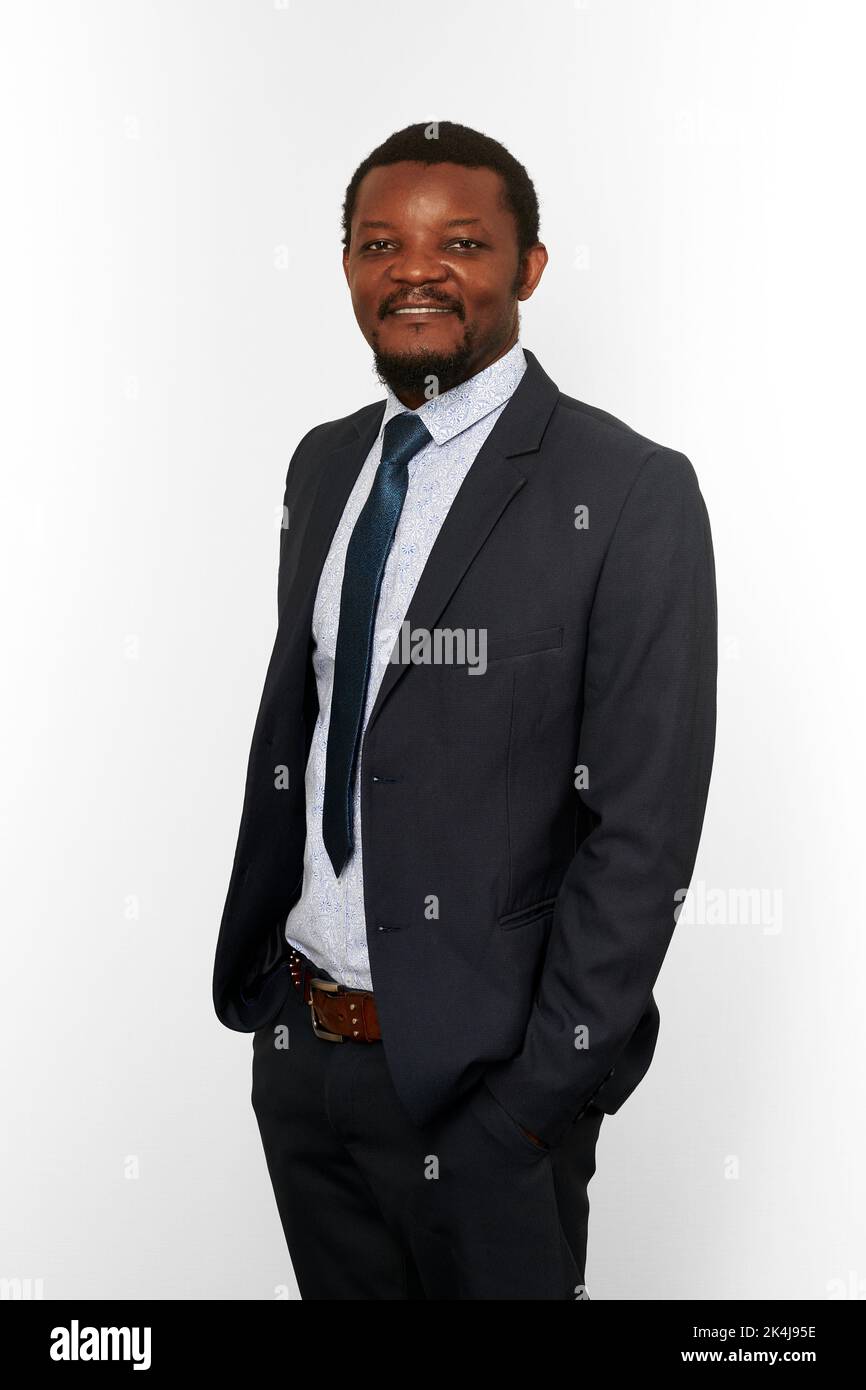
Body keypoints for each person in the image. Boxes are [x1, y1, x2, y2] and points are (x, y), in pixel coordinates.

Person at [212, 120, 717, 1300]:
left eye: (461, 242)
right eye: (379, 242)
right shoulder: (323, 465)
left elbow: (640, 833)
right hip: (306, 1061)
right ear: (346, 267)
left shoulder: (628, 491)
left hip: (485, 1096)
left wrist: (535, 1100)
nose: (415, 268)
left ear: (527, 267)